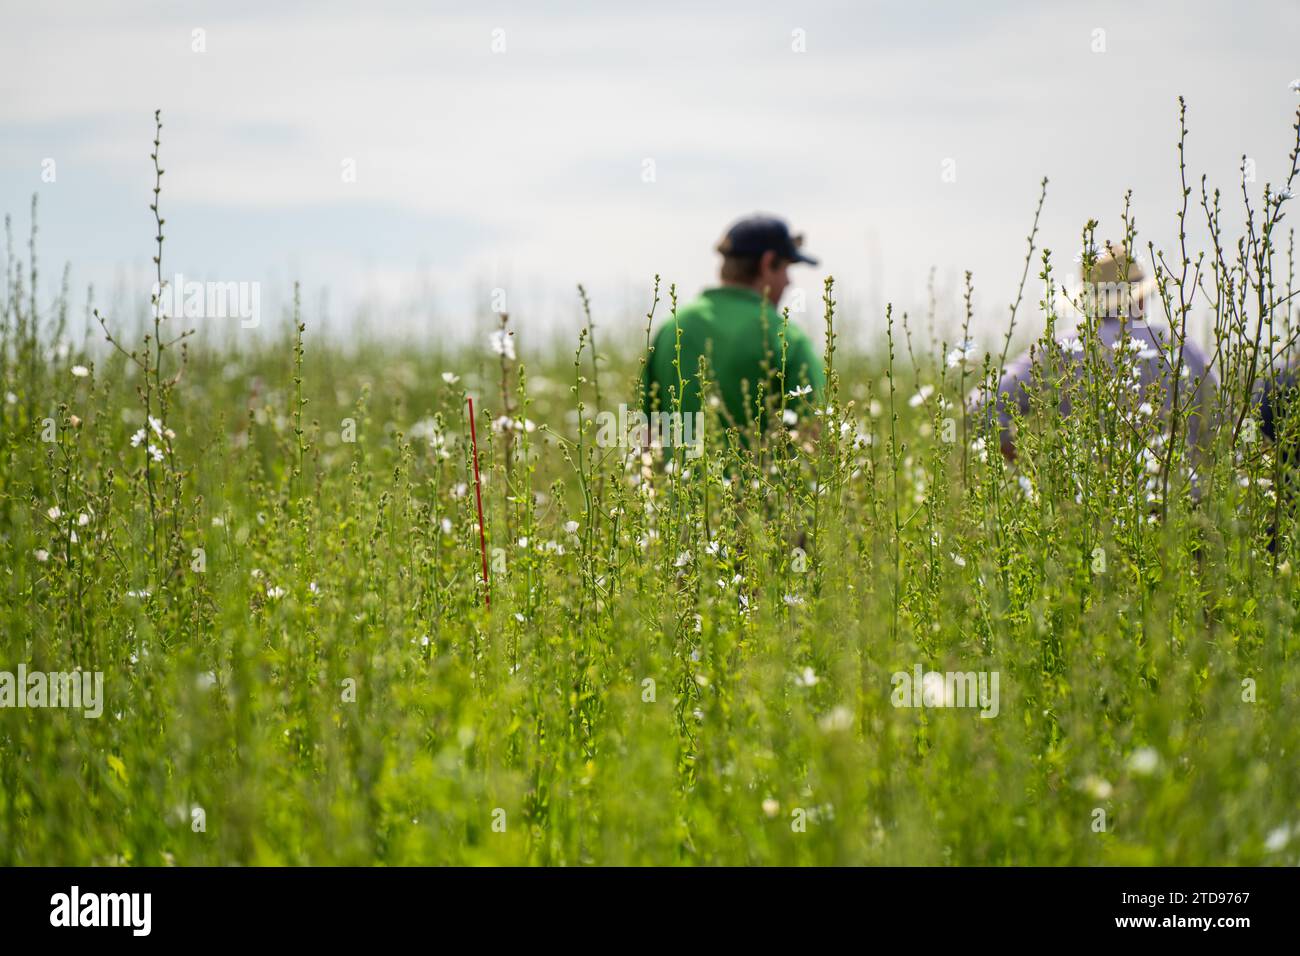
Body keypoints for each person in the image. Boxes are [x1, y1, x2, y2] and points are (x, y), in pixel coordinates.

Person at [971, 243, 1218, 469]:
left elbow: (979, 406)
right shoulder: (1181, 347)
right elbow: (1223, 420)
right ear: (1140, 297)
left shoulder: (1060, 349)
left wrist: (1034, 468)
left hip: (1084, 507)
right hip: (1181, 507)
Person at [643, 215, 825, 446]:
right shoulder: (786, 338)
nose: (789, 282)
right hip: (760, 481)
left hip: (673, 481)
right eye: (786, 269)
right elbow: (815, 437)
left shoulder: (672, 328)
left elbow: (644, 436)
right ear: (767, 263)